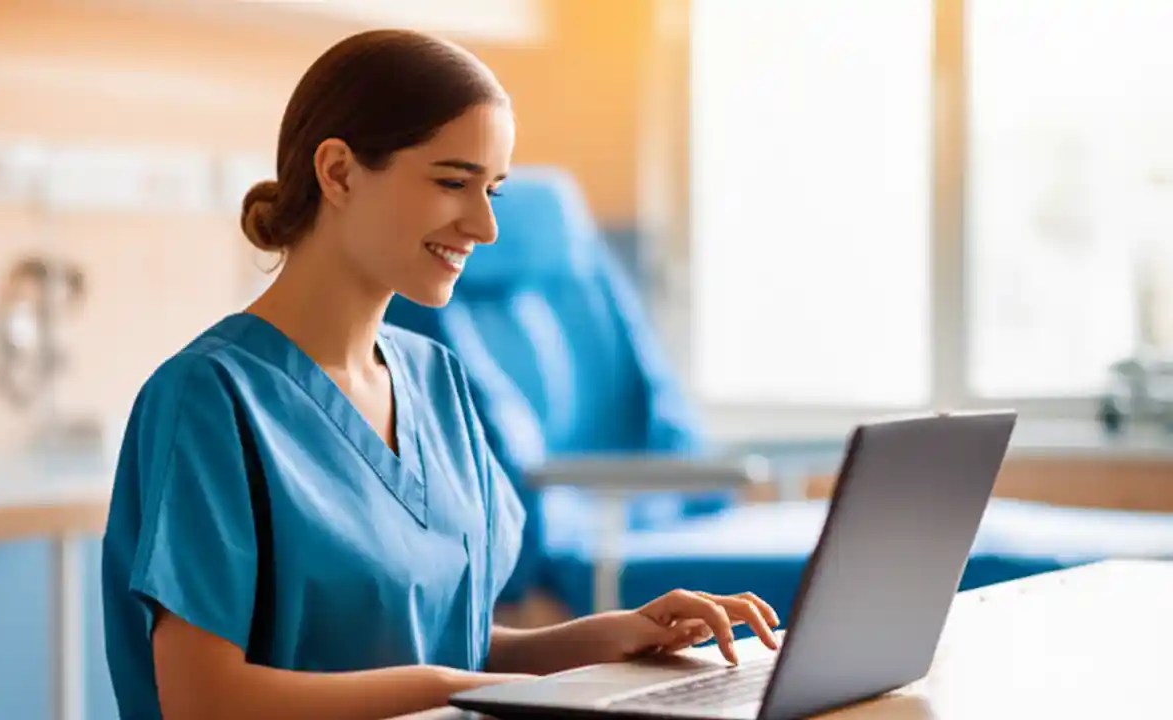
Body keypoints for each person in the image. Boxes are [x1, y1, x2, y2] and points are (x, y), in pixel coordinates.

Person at [100, 28, 780, 720]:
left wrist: (614, 638)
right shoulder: (210, 400)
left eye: (493, 191)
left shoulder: (436, 382)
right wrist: (451, 690)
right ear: (338, 173)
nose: (484, 227)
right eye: (453, 182)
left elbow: (454, 647)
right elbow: (203, 700)